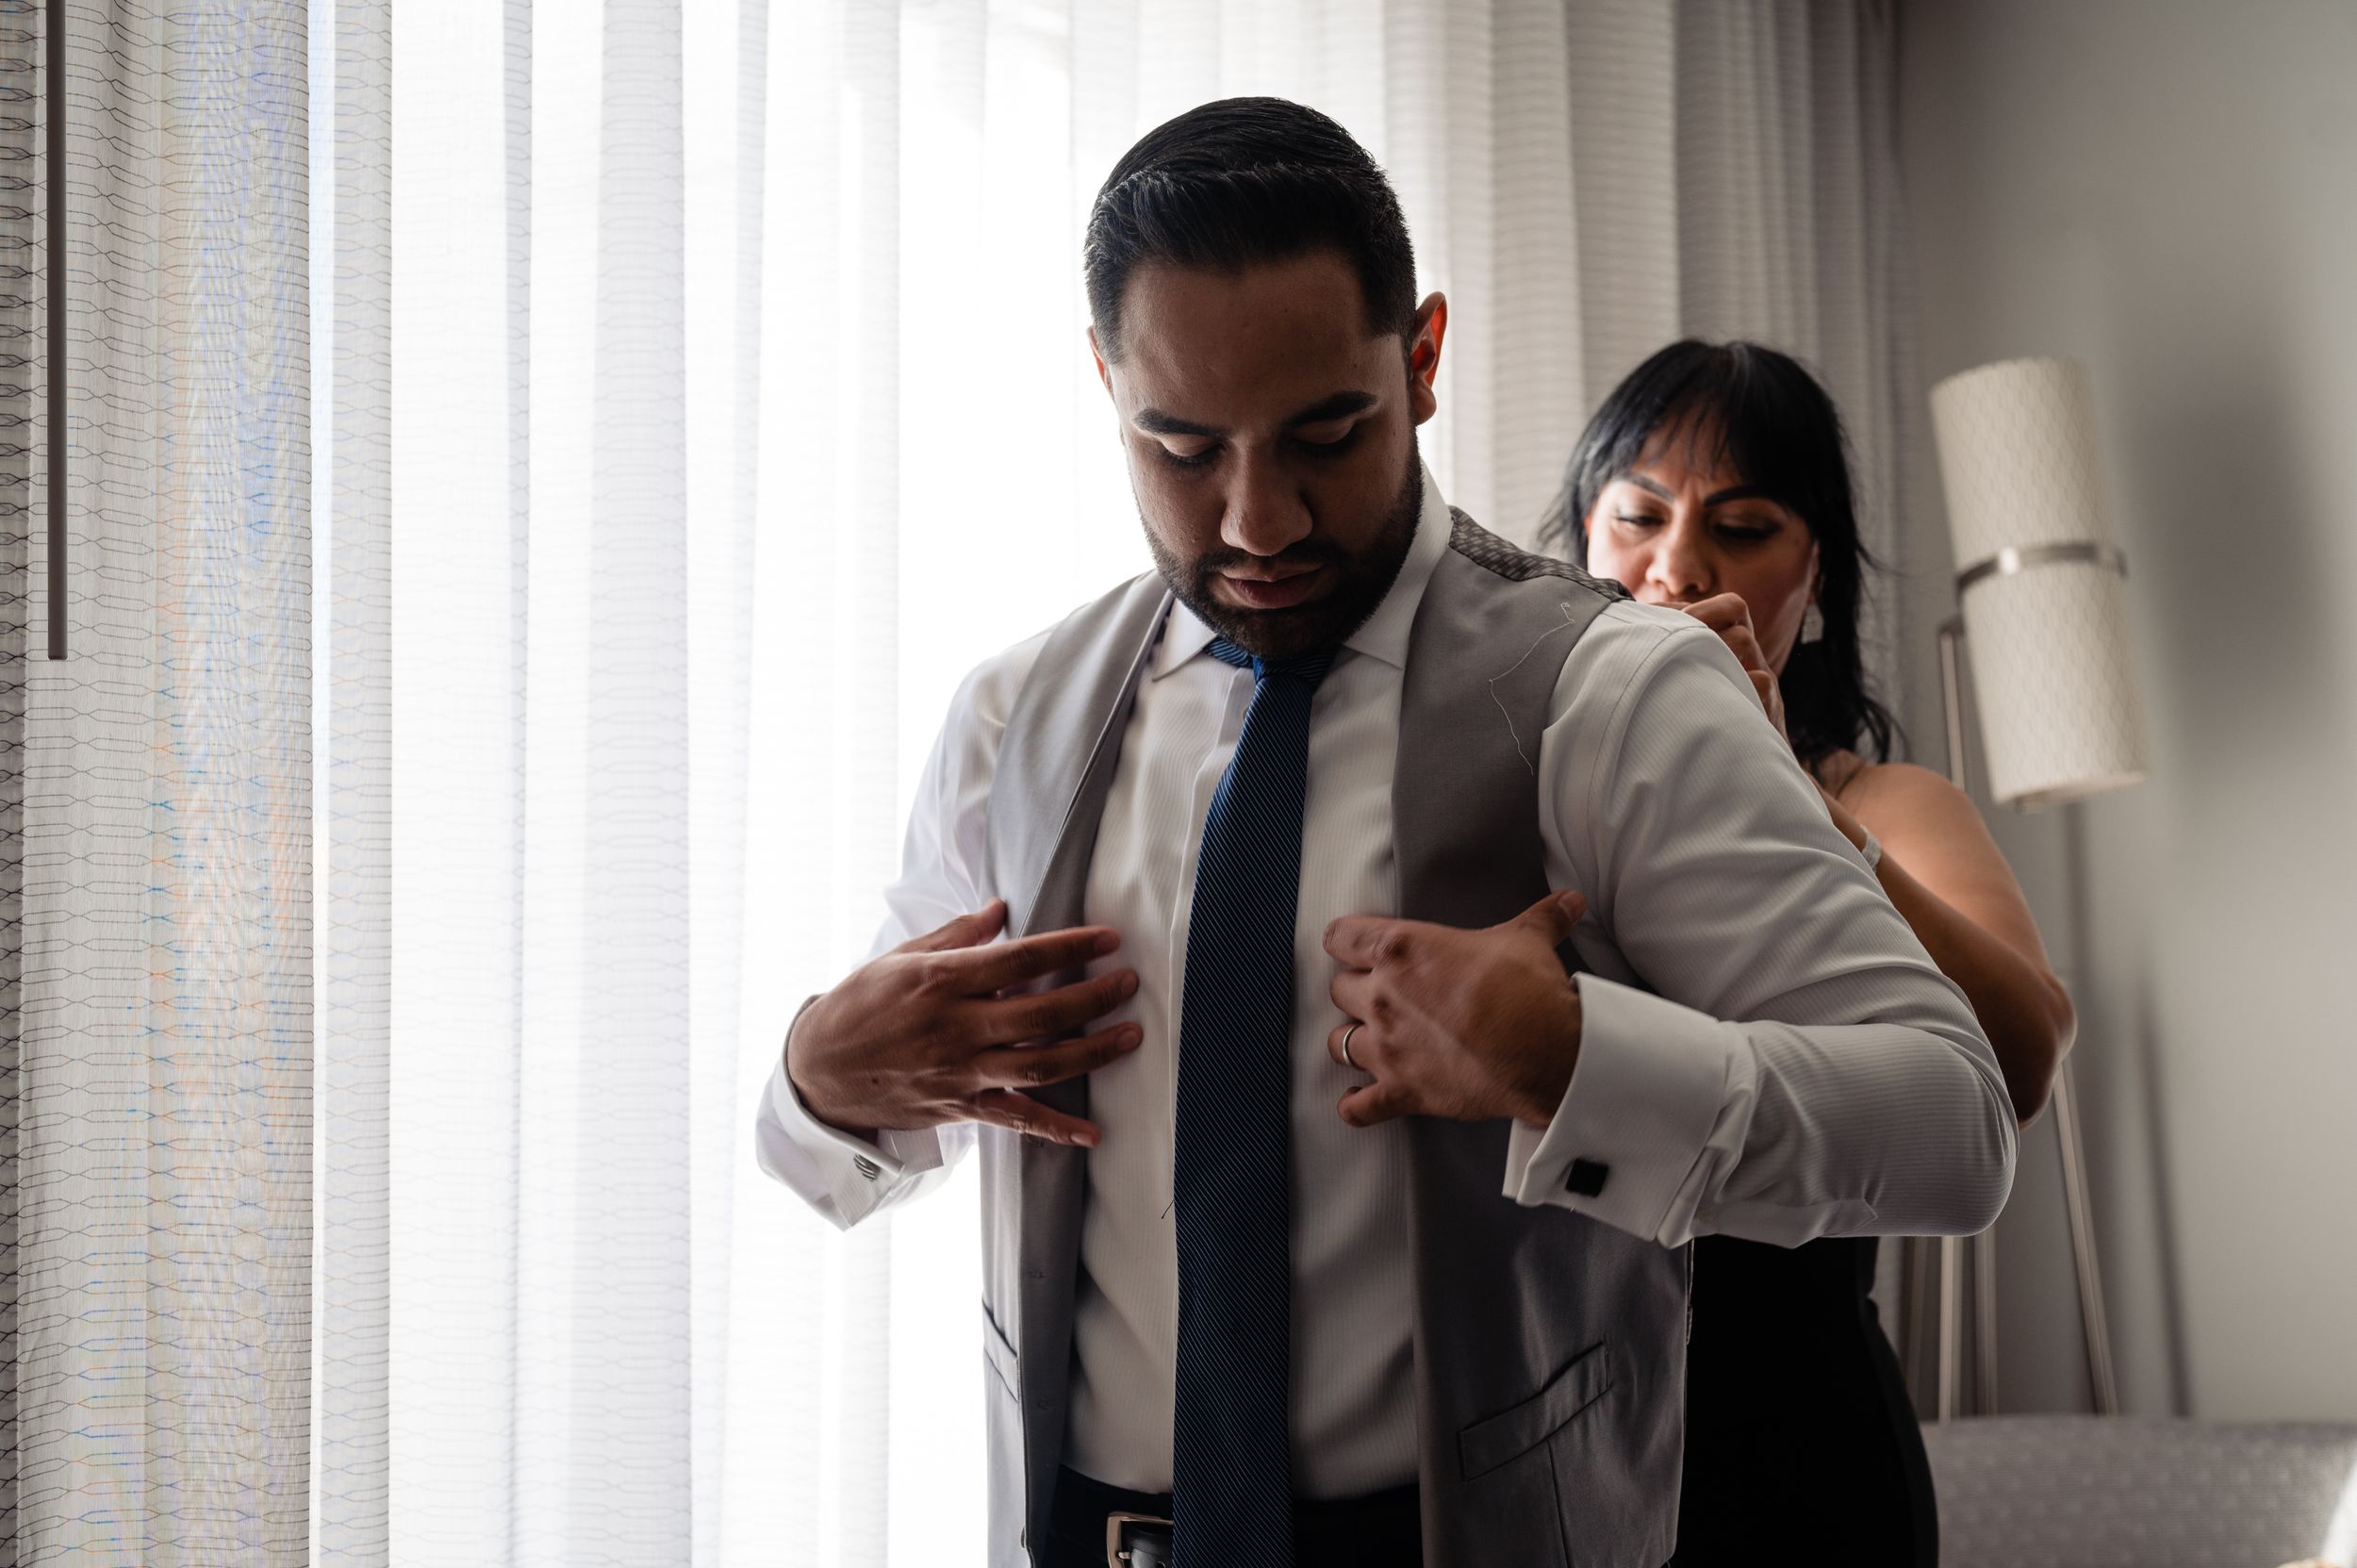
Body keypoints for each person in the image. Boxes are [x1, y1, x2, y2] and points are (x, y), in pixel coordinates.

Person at [755, 98, 2017, 1568]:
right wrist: (820, 1081)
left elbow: (1954, 1121)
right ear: (1104, 380)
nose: (1259, 521)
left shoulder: (1617, 693)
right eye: (1179, 446)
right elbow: (842, 1144)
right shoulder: (1010, 720)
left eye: (1324, 434)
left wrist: (1575, 1060)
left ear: (1419, 362)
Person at [1541, 339, 2078, 1566]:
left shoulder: (1883, 798)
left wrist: (1802, 809)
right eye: (1637, 515)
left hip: (1800, 1429)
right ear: (1583, 538)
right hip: (1555, 1425)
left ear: (1815, 578)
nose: (1675, 566)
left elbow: (2029, 1058)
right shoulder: (1521, 778)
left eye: (1740, 526)